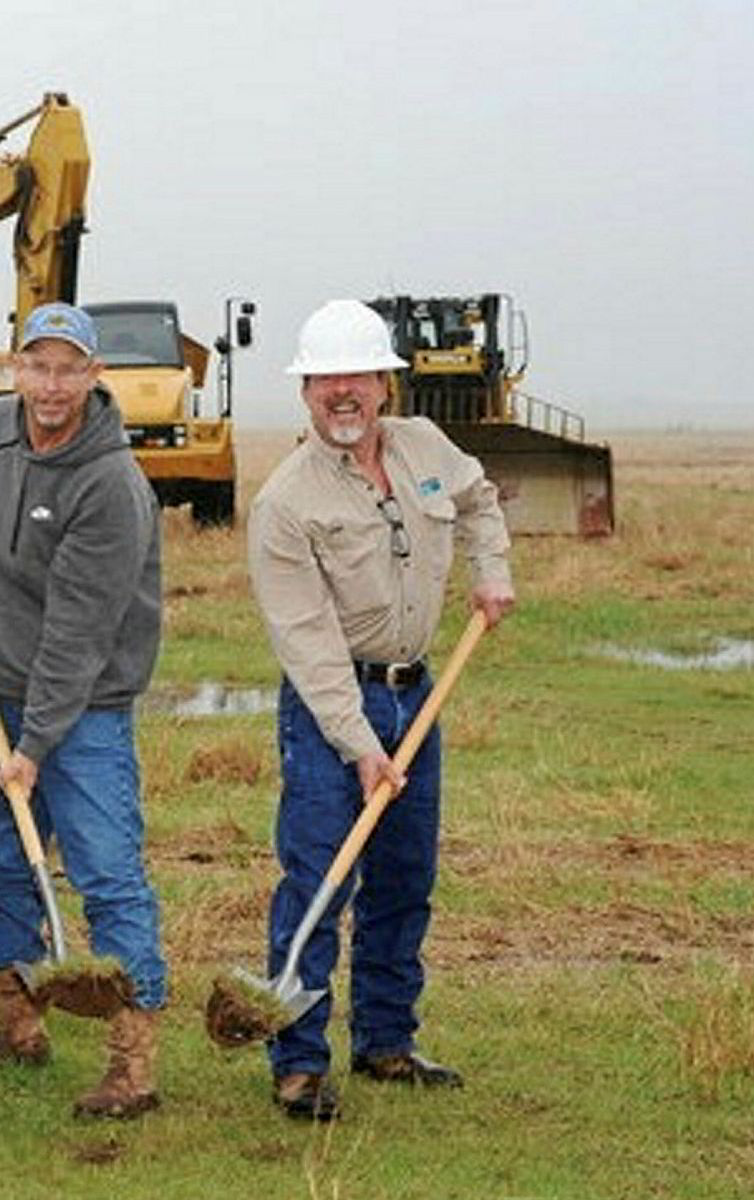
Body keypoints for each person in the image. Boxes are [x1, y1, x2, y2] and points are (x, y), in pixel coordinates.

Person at [247, 299, 516, 1122]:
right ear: (305, 392)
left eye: (356, 376)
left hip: (420, 694)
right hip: (334, 705)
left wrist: (491, 569)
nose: (342, 393)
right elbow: (308, 643)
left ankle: (387, 1041)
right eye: (325, 379)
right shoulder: (284, 504)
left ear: (384, 384)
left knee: (403, 880)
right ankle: (298, 1060)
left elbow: (481, 501)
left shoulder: (425, 449)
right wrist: (361, 745)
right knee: (322, 878)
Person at [0, 302, 168, 1119]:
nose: (52, 384)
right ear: (14, 367)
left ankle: (132, 1064)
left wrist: (34, 747)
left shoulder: (111, 486)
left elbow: (79, 633)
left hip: (85, 709)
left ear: (95, 377)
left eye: (71, 368)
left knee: (107, 875)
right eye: (39, 365)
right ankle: (17, 1022)